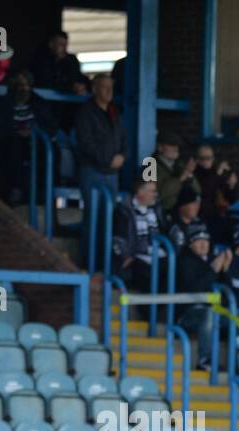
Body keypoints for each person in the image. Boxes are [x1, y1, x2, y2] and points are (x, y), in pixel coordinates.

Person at [75, 73, 126, 259]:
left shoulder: (115, 112)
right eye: (104, 86)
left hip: (112, 174)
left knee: (109, 218)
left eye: (111, 87)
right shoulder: (85, 112)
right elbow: (86, 144)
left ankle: (105, 264)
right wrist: (107, 160)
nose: (109, 91)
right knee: (93, 217)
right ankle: (88, 263)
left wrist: (122, 156)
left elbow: (124, 139)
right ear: (95, 89)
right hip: (92, 171)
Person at [0, 71, 57, 205]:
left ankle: (44, 195)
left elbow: (51, 127)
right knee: (11, 149)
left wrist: (32, 133)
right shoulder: (2, 104)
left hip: (35, 143)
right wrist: (15, 132)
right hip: (9, 144)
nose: (21, 88)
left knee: (50, 152)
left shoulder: (39, 103)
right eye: (17, 85)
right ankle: (15, 190)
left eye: (24, 85)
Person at [174, 221, 230, 366]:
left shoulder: (212, 259)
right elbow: (195, 289)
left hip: (214, 310)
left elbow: (226, 292)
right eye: (199, 241)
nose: (204, 244)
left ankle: (237, 364)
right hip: (188, 314)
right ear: (191, 244)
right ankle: (205, 360)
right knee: (208, 314)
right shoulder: (184, 261)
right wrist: (213, 270)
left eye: (206, 241)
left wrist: (226, 270)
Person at [111, 179, 166, 291]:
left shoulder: (157, 209)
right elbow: (118, 239)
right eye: (152, 191)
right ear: (140, 192)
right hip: (135, 257)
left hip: (158, 255)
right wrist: (126, 257)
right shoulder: (124, 211)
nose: (155, 195)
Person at [30, 31, 88, 99]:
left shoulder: (71, 60)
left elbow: (77, 77)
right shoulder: (41, 61)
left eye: (66, 44)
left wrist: (81, 86)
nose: (64, 47)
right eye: (60, 44)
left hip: (68, 99)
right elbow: (46, 82)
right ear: (51, 44)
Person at [149, 130, 196, 214]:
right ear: (160, 147)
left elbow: (198, 191)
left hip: (182, 214)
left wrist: (189, 175)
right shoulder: (150, 166)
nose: (176, 148)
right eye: (171, 145)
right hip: (162, 213)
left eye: (177, 145)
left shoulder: (179, 165)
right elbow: (157, 194)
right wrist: (181, 178)